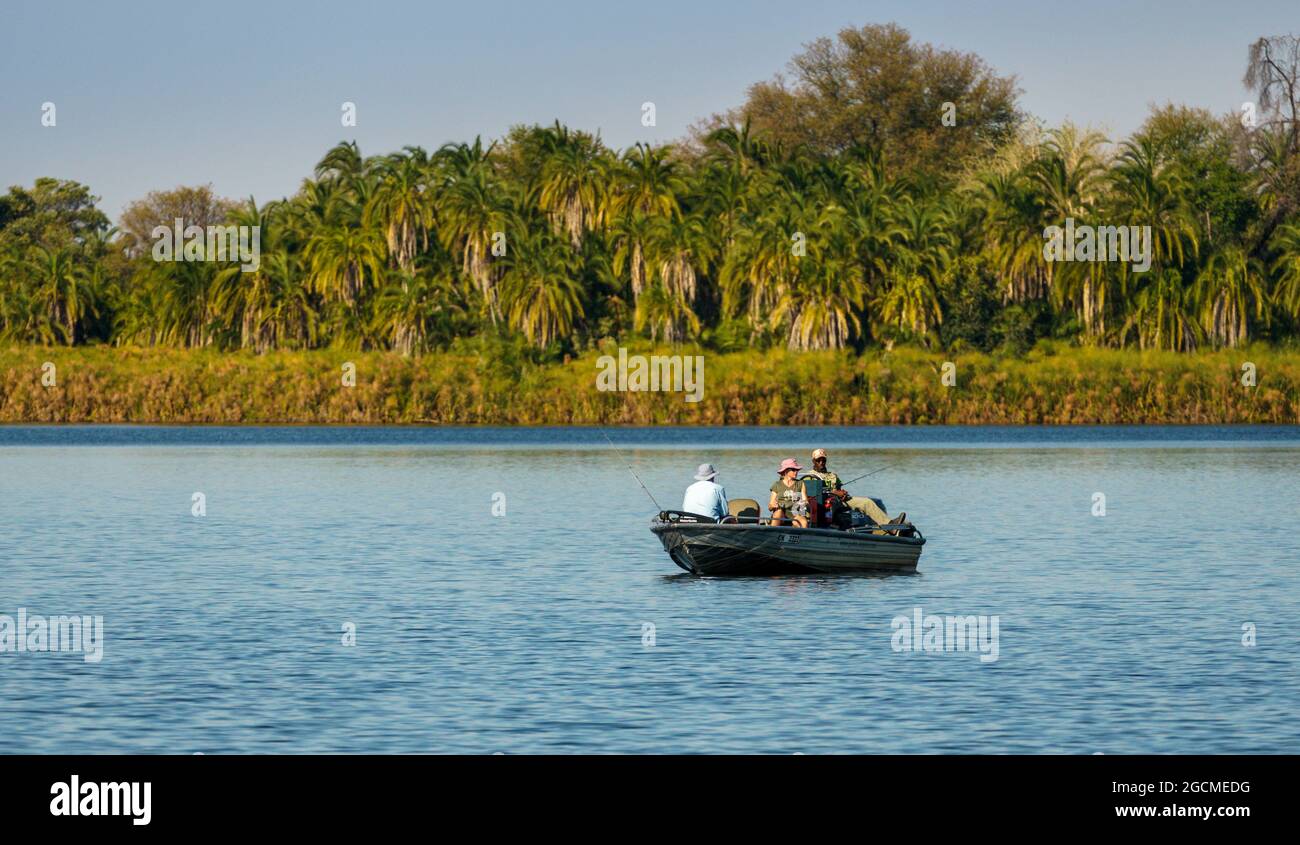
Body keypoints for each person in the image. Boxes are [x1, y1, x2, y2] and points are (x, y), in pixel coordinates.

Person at [805, 448, 904, 526]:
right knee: (830, 504)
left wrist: (843, 493)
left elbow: (839, 489)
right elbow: (812, 492)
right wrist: (834, 492)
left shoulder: (833, 475)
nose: (821, 462)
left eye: (823, 460)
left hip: (840, 501)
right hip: (825, 504)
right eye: (818, 460)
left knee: (867, 502)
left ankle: (890, 524)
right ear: (814, 461)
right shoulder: (810, 476)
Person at [768, 458, 809, 527]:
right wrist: (773, 506)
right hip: (781, 512)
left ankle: (804, 536)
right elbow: (770, 506)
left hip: (795, 512)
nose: (796, 472)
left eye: (797, 470)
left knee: (803, 522)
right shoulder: (777, 485)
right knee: (778, 513)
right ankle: (773, 534)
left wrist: (803, 503)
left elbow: (805, 501)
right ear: (786, 471)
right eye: (793, 470)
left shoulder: (801, 483)